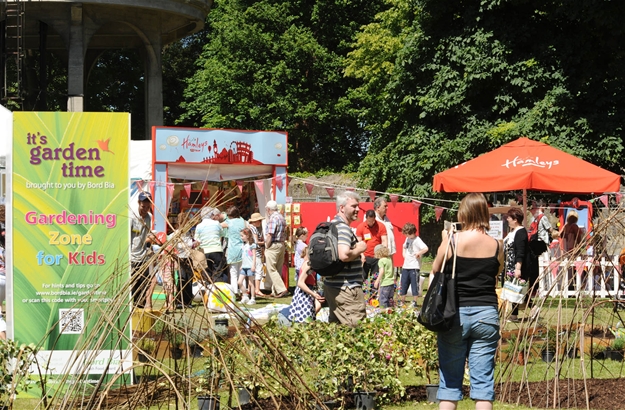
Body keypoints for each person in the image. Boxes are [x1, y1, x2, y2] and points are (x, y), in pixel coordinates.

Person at [431, 193, 502, 410]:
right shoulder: (497, 245)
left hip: (455, 314)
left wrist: (445, 240)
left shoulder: (452, 241)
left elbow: (435, 268)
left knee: (450, 383)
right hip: (487, 314)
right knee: (483, 384)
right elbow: (496, 272)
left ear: (463, 213)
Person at [323, 191, 368, 327]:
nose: (358, 209)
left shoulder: (331, 225)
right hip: (347, 289)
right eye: (353, 206)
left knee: (337, 330)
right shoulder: (343, 228)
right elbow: (344, 255)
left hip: (332, 286)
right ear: (342, 208)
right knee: (357, 330)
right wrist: (360, 248)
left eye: (358, 206)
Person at [504, 207, 537, 322]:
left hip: (519, 265)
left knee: (518, 289)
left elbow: (520, 252)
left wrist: (518, 268)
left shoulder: (521, 232)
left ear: (515, 219)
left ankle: (533, 307)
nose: (507, 219)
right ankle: (514, 315)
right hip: (511, 265)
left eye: (509, 217)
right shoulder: (513, 231)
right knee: (515, 289)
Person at [131, 192, 154, 309]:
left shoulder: (149, 217)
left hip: (143, 257)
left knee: (143, 286)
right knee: (133, 287)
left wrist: (151, 240)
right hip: (132, 257)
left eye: (148, 207)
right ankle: (132, 310)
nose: (145, 209)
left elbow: (147, 235)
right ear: (138, 203)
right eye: (143, 206)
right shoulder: (132, 217)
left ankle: (140, 309)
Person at [288, 251, 325, 323]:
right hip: (304, 294)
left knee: (310, 316)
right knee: (304, 319)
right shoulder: (309, 265)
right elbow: (300, 283)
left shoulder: (311, 264)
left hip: (308, 292)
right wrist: (313, 294)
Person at [399, 222, 429, 307]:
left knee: (414, 284)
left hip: (414, 266)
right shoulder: (407, 239)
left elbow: (426, 248)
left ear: (412, 232)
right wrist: (403, 254)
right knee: (404, 283)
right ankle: (402, 300)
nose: (406, 236)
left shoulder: (417, 240)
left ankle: (414, 301)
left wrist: (419, 253)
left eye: (407, 234)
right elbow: (404, 246)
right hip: (406, 266)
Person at [195, 207, 228, 283]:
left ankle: (208, 288)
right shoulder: (216, 223)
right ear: (211, 215)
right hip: (216, 250)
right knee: (218, 272)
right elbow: (222, 233)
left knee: (207, 274)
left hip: (205, 252)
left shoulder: (199, 226)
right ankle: (218, 288)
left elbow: (196, 240)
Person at [356, 210, 388, 285]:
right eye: (369, 221)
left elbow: (384, 241)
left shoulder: (381, 226)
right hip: (365, 257)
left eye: (372, 221)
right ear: (366, 218)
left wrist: (382, 254)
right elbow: (358, 243)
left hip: (376, 257)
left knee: (375, 278)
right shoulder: (361, 227)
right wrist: (362, 255)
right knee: (362, 278)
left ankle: (374, 292)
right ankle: (362, 292)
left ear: (375, 218)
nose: (371, 223)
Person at [171, 212, 196, 308]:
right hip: (180, 258)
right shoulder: (177, 233)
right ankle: (179, 301)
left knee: (189, 279)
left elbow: (190, 243)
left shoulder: (188, 233)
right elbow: (176, 245)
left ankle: (188, 301)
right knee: (182, 279)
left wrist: (194, 244)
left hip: (188, 257)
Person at [264, 200, 289, 298]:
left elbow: (270, 234)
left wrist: (266, 245)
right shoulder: (281, 217)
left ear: (268, 209)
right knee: (278, 268)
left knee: (271, 269)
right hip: (281, 244)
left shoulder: (273, 218)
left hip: (273, 245)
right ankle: (275, 291)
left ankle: (281, 289)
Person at [224, 206, 246, 294]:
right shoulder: (242, 221)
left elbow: (219, 225)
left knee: (233, 273)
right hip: (242, 249)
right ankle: (244, 292)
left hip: (233, 249)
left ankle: (234, 292)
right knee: (242, 273)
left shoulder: (229, 222)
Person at [248, 212, 266, 298]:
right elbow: (256, 242)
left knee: (250, 272)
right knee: (259, 270)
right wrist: (263, 243)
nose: (260, 222)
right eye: (259, 220)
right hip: (256, 252)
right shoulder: (254, 229)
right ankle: (257, 289)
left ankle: (249, 289)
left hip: (249, 252)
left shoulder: (249, 228)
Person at [238, 228, 257, 305]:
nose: (241, 237)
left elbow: (254, 256)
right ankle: (245, 295)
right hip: (244, 266)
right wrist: (242, 265)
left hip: (250, 266)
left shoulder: (252, 245)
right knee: (239, 282)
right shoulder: (244, 245)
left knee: (251, 283)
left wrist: (253, 265)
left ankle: (253, 298)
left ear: (247, 236)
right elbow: (244, 256)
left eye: (242, 236)